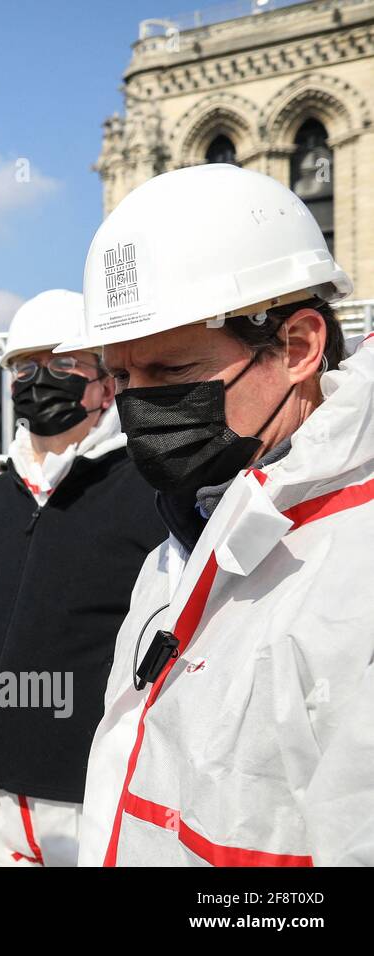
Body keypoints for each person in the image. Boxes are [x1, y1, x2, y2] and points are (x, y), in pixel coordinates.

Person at [68, 163, 374, 866]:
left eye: (170, 373)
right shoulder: (179, 550)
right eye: (123, 376)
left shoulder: (357, 567)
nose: (138, 406)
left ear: (298, 347)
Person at [0, 290, 166, 866]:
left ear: (106, 383)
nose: (39, 380)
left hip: (89, 793)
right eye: (25, 367)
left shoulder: (147, 489)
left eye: (63, 365)